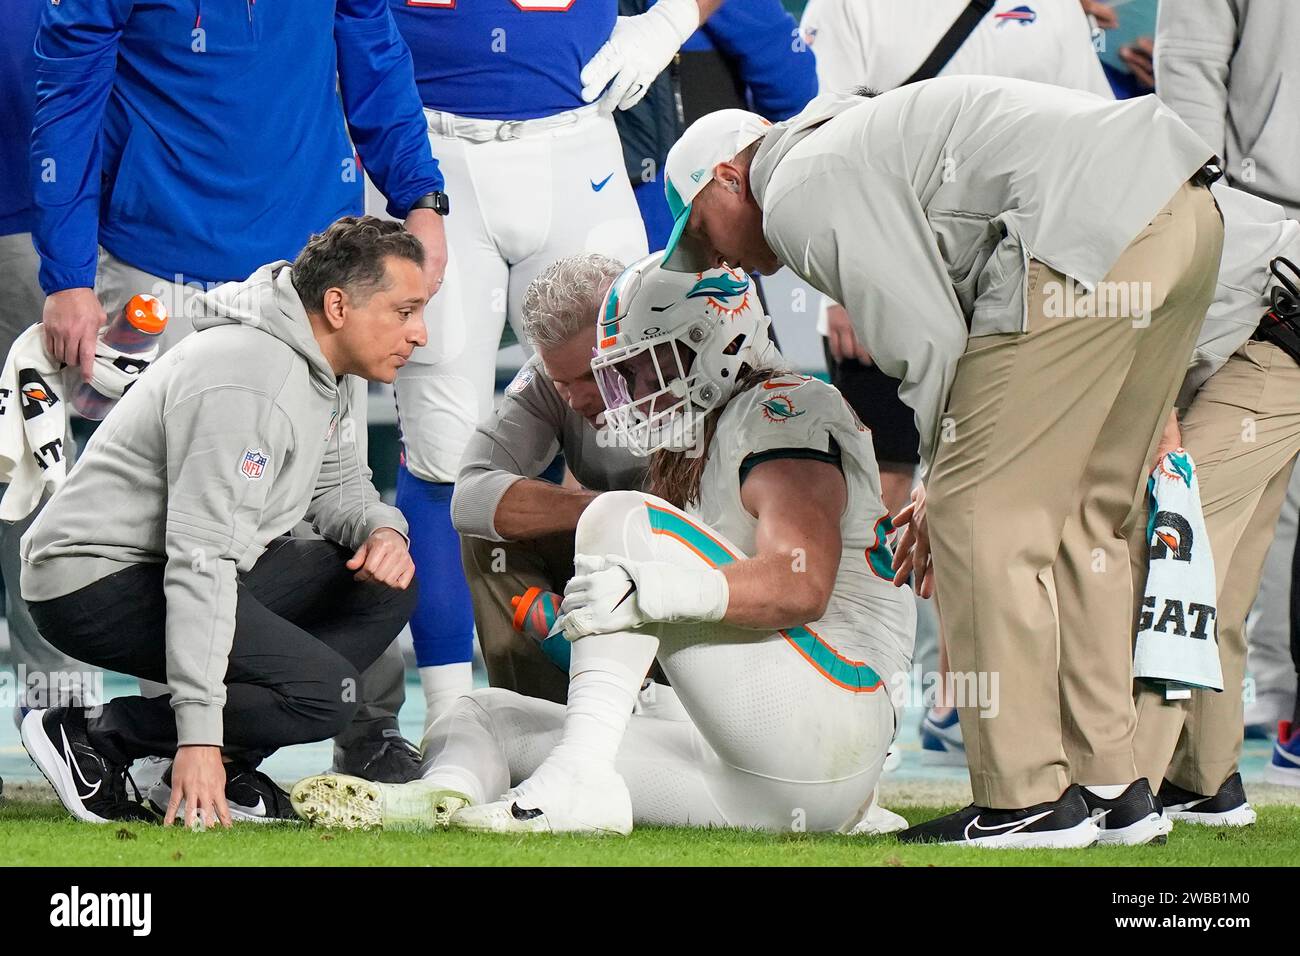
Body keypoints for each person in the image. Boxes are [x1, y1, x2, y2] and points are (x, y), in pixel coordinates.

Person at [661, 78, 1223, 846]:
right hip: (1184, 211)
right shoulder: (849, 137)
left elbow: (928, 340)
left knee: (975, 515)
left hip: (1091, 231)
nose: (724, 258)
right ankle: (1112, 787)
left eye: (703, 231)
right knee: (1090, 513)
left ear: (730, 175)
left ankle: (1024, 799)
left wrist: (941, 486)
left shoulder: (793, 189)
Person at [289, 254, 915, 835]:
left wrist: (650, 591)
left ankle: (580, 776)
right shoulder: (693, 434)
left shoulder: (786, 408)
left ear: (711, 347)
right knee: (478, 716)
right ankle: (439, 799)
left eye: (643, 366)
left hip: (833, 723)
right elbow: (474, 497)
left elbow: (800, 583)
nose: (626, 388)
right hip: (753, 768)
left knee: (624, 517)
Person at [28, 0, 449, 781]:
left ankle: (361, 725)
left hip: (312, 265)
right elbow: (68, 88)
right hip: (158, 261)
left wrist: (420, 194)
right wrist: (66, 271)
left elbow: (373, 51)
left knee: (336, 515)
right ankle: (174, 747)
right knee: (182, 527)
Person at [371, 0, 721, 727]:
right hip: (428, 156)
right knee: (442, 454)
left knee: (643, 432)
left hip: (577, 150)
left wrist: (674, 19)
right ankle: (450, 720)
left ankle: (653, 702)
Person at [18, 218, 422, 828]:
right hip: (91, 583)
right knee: (322, 696)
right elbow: (200, 558)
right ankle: (98, 733)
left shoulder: (327, 363)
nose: (420, 333)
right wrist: (198, 737)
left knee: (382, 584)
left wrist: (383, 530)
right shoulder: (251, 377)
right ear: (337, 305)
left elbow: (338, 484)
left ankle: (206, 758)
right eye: (405, 310)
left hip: (172, 563)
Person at [799, 0, 1114, 768]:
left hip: (1021, 278)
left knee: (997, 493)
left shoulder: (1053, 8)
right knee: (883, 497)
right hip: (895, 268)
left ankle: (960, 697)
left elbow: (1095, 133)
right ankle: (868, 693)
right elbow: (827, 129)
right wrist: (839, 286)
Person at [1156, 0, 1300, 749]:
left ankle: (1200, 761)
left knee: (1208, 519)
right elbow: (1189, 85)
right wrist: (1204, 221)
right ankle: (1225, 740)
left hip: (1255, 243)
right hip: (1254, 235)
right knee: (1211, 518)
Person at [1132, 184, 1300, 818]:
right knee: (1215, 581)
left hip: (1273, 338)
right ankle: (1203, 780)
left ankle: (1124, 784)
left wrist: (1163, 411)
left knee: (1164, 553)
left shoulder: (1121, 215)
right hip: (1275, 341)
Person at [451, 255, 648, 707]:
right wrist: (603, 512)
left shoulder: (693, 358)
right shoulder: (548, 374)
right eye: (562, 382)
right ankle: (539, 719)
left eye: (589, 376)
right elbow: (471, 497)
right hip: (621, 547)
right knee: (491, 536)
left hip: (703, 562)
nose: (575, 397)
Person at [0, 0, 98, 734]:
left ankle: (57, 711)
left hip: (48, 224)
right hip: (49, 224)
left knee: (36, 467)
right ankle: (57, 710)